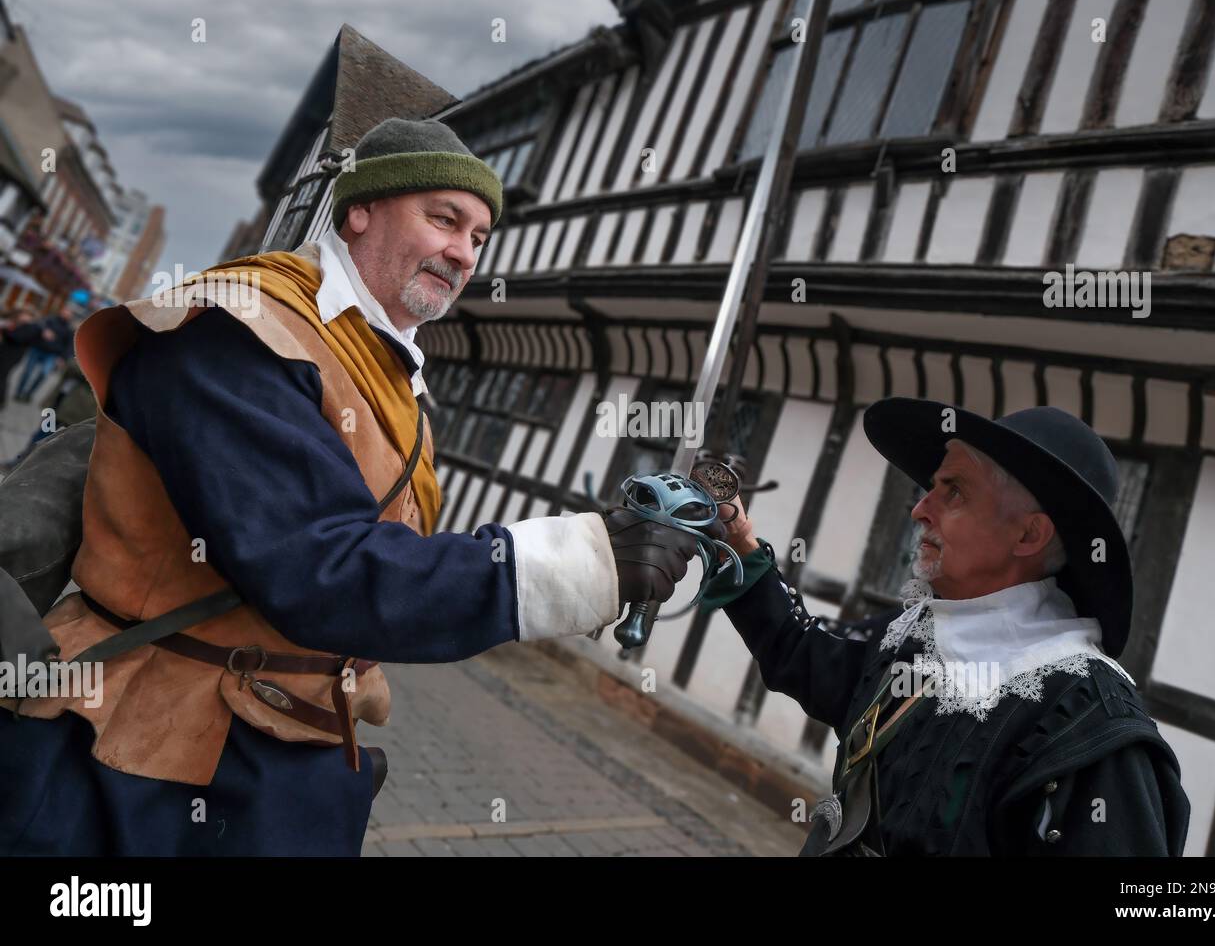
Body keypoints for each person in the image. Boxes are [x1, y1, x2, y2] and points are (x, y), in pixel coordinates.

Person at [0, 117, 706, 856]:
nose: (464, 252)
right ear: (359, 210)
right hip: (134, 769)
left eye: (480, 238)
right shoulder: (239, 331)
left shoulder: (384, 371)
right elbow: (320, 568)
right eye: (444, 219)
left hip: (274, 762)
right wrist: (582, 563)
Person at [707, 398, 1190, 856]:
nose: (920, 509)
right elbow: (803, 653)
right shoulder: (916, 634)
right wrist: (737, 541)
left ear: (1029, 534)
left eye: (953, 491)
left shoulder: (1090, 728)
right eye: (932, 487)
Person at [12, 305, 73, 402]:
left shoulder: (69, 329)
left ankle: (28, 394)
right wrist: (44, 331)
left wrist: (63, 358)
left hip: (52, 355)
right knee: (27, 372)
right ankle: (19, 393)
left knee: (44, 374)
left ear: (70, 315)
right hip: (37, 349)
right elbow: (37, 324)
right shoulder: (50, 319)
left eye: (68, 312)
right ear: (61, 311)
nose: (66, 313)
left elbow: (69, 346)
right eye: (65, 311)